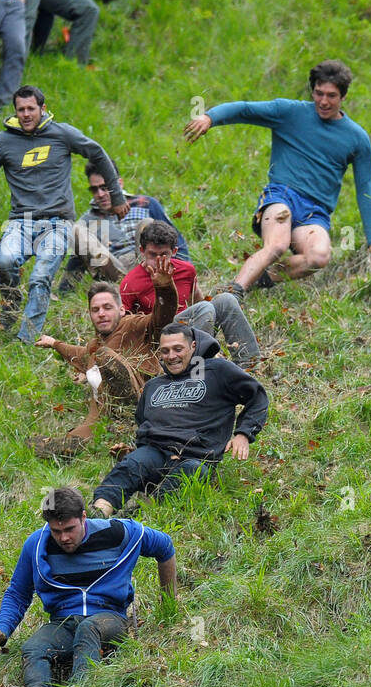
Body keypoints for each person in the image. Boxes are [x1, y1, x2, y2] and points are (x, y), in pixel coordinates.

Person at [182, 59, 371, 289]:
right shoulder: (289, 112)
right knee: (276, 246)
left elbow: (367, 187)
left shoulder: (357, 138)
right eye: (318, 93)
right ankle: (233, 293)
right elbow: (245, 109)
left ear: (343, 96)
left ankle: (260, 278)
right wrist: (210, 117)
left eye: (331, 95)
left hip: (315, 213)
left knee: (318, 257)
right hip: (281, 196)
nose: (323, 101)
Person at [0, 486, 177, 687]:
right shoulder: (37, 544)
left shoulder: (119, 533)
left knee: (89, 627)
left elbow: (165, 546)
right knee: (33, 647)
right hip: (64, 622)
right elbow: (18, 592)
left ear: (84, 517)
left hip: (109, 618)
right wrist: (2, 628)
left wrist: (169, 606)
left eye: (70, 529)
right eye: (56, 531)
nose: (64, 538)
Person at [0, 84, 126, 342]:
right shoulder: (3, 141)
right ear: (15, 111)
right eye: (20, 109)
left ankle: (26, 339)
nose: (25, 114)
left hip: (58, 222)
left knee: (40, 277)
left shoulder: (62, 134)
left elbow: (98, 153)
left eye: (31, 109)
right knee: (4, 260)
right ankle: (11, 307)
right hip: (20, 221)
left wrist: (116, 195)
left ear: (42, 109)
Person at [91, 322, 269, 517]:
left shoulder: (217, 371)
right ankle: (97, 516)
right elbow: (143, 422)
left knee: (191, 472)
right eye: (165, 351)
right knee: (129, 467)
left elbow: (257, 396)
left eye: (178, 349)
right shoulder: (154, 385)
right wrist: (138, 451)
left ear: (193, 346)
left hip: (196, 457)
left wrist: (243, 434)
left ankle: (137, 516)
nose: (171, 356)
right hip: (155, 453)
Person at [31, 259, 176, 451]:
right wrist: (55, 344)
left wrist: (164, 287)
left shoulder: (136, 326)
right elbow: (80, 354)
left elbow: (163, 317)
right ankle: (74, 445)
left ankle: (131, 415)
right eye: (95, 310)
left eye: (107, 307)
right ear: (90, 314)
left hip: (145, 404)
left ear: (122, 310)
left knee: (106, 357)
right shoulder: (94, 347)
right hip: (106, 417)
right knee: (48, 445)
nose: (101, 313)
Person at [119, 220, 260, 368]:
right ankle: (194, 368)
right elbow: (125, 328)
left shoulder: (186, 270)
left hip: (190, 329)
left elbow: (198, 301)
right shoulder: (131, 283)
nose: (158, 261)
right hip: (161, 337)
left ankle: (249, 365)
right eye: (153, 255)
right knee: (204, 307)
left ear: (174, 252)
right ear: (142, 251)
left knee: (226, 299)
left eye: (164, 254)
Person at [63, 162, 190, 289]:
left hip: (147, 263)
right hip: (113, 269)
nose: (100, 194)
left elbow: (173, 237)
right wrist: (65, 290)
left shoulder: (145, 203)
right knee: (77, 229)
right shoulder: (88, 219)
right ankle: (126, 284)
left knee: (146, 224)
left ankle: (143, 280)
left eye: (105, 187)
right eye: (94, 189)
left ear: (119, 184)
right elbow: (76, 260)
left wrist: (186, 273)